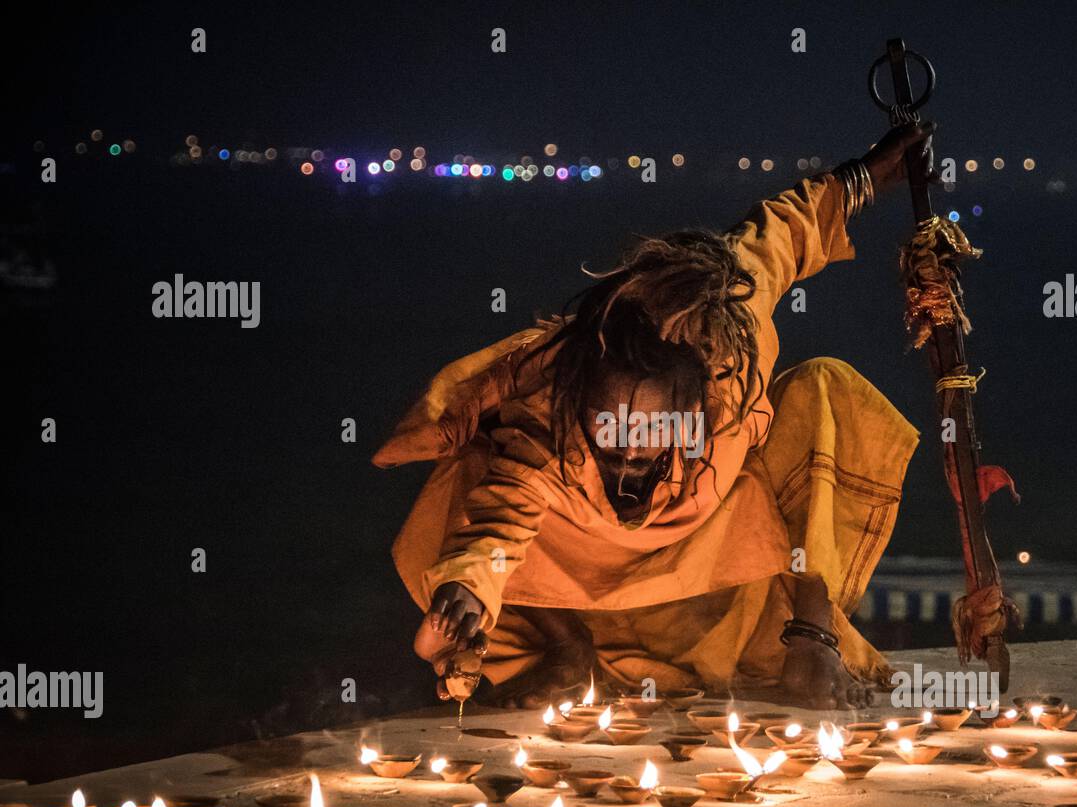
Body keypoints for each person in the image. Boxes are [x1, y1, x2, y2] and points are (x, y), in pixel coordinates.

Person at [373, 122, 936, 710]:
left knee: (825, 389)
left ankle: (812, 646)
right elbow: (500, 525)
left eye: (653, 433)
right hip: (581, 561)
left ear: (698, 398)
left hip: (708, 541)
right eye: (611, 438)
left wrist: (866, 175)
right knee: (462, 480)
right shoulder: (549, 411)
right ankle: (565, 650)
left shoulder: (732, 339)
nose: (631, 457)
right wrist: (466, 588)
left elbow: (782, 230)